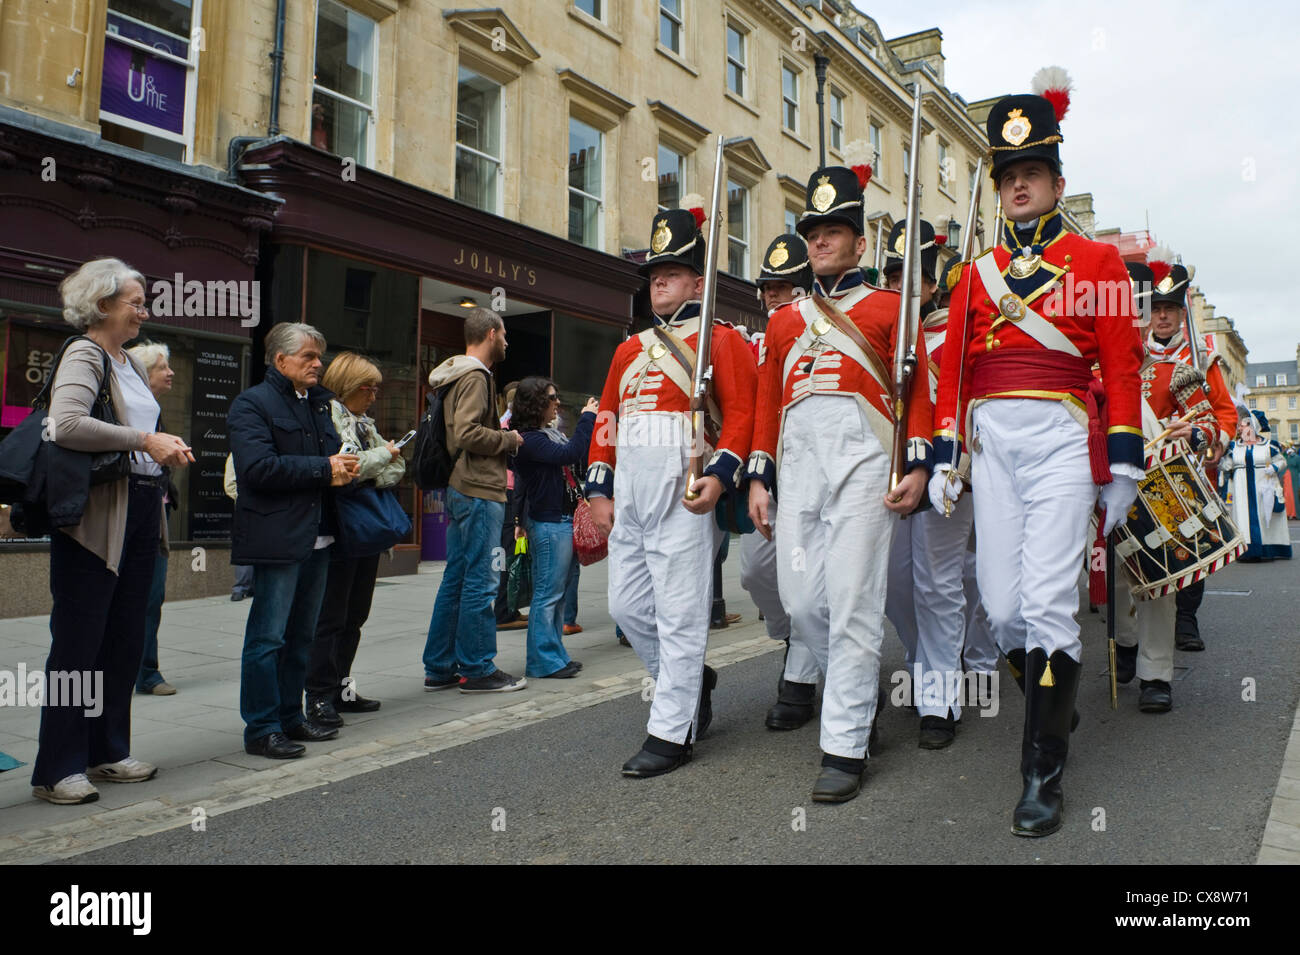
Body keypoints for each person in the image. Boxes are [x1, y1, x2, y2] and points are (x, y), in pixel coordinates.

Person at [929, 69, 1144, 836]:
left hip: (1059, 438)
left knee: (1050, 604)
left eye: (1033, 173)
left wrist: (1121, 464)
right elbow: (953, 367)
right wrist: (945, 456)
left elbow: (1120, 365)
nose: (1020, 186)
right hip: (991, 443)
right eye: (1009, 176)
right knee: (1002, 604)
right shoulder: (973, 275)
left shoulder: (1098, 264)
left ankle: (1040, 770)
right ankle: (1057, 701)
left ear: (1057, 179)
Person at [747, 145, 933, 803]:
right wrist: (759, 477)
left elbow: (918, 396)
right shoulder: (784, 321)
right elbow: (767, 402)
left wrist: (915, 461)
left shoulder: (889, 307)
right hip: (799, 462)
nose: (822, 242)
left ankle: (845, 740)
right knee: (801, 600)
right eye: (814, 233)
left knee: (854, 596)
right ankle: (856, 697)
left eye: (833, 233)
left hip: (864, 458)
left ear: (857, 242)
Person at [587, 200, 757, 778]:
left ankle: (672, 730)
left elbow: (742, 415)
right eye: (655, 272)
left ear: (698, 281)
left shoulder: (721, 340)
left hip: (685, 485)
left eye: (673, 272)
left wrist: (720, 472)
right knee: (626, 606)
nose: (659, 280)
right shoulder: (628, 349)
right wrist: (600, 489)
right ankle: (689, 680)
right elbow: (607, 419)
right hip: (631, 486)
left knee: (682, 615)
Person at [31, 258, 193, 804]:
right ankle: (59, 767)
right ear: (102, 306)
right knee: (79, 642)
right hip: (98, 518)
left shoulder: (126, 360)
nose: (144, 310)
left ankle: (107, 750)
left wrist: (160, 448)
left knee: (124, 637)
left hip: (142, 508)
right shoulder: (87, 352)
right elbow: (67, 424)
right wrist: (145, 442)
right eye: (135, 301)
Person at [228, 322, 359, 759]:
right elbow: (258, 469)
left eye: (319, 356)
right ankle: (261, 728)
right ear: (281, 360)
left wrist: (344, 467)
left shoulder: (320, 405)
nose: (318, 364)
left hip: (319, 535)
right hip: (278, 536)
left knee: (302, 635)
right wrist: (326, 468)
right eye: (308, 356)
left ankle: (290, 717)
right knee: (268, 638)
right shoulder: (252, 404)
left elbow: (326, 461)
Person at [1111, 261, 1224, 713]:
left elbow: (1210, 423)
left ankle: (1156, 673)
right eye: (1145, 308)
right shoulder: (1097, 366)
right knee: (1117, 582)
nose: (1151, 316)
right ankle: (1124, 643)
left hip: (1160, 488)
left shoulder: (1176, 370)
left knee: (1159, 583)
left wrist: (1194, 433)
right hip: (1108, 486)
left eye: (1162, 308)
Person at [880, 219, 976, 748]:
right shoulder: (875, 329)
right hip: (889, 473)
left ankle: (940, 697)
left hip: (945, 472)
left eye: (911, 277)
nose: (901, 286)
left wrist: (954, 467)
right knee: (895, 585)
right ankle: (924, 662)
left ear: (932, 283)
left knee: (937, 584)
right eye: (894, 275)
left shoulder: (953, 333)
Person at [421, 308, 526, 693]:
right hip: (479, 488)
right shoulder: (478, 376)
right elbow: (467, 432)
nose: (507, 342)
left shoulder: (455, 375)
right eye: (504, 335)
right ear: (492, 333)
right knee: (481, 582)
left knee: (456, 579)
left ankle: (440, 666)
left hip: (459, 486)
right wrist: (509, 439)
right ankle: (478, 667)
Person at [1140, 248, 1238, 653]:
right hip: (1146, 466)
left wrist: (1214, 442)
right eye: (1157, 308)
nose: (1163, 316)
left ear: (1182, 314)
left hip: (1193, 466)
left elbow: (1225, 413)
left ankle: (1186, 619)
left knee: (1192, 541)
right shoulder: (1133, 356)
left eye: (1171, 309)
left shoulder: (1202, 359)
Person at [304, 352, 407, 727]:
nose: (375, 396)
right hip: (340, 527)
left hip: (366, 527)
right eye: (370, 388)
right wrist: (380, 458)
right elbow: (353, 466)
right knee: (331, 616)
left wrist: (374, 465)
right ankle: (318, 695)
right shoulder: (330, 419)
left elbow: (396, 467)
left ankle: (341, 690)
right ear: (350, 386)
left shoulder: (363, 424)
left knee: (356, 615)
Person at [746, 233, 815, 730]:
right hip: (773, 473)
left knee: (815, 584)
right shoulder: (749, 340)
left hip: (822, 470)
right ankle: (793, 638)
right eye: (769, 286)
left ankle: (801, 677)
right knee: (754, 569)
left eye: (786, 286)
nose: (775, 295)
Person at [511, 377, 597, 678]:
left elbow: (574, 456)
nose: (557, 402)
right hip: (548, 523)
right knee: (548, 594)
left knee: (557, 594)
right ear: (536, 404)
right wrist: (587, 419)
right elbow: (569, 454)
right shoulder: (530, 439)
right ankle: (542, 662)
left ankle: (555, 656)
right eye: (551, 397)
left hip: (560, 520)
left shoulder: (547, 435)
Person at [126, 340, 180, 697]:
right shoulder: (127, 412)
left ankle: (146, 670)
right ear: (144, 374)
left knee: (152, 596)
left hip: (153, 513)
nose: (171, 372)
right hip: (126, 513)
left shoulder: (155, 412)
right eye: (163, 367)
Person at [1223, 411, 1292, 561]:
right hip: (1241, 490)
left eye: (1243, 425)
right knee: (1242, 517)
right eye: (1239, 426)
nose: (1240, 429)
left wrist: (1274, 467)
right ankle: (1247, 550)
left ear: (1253, 427)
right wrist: (1215, 461)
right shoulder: (1234, 447)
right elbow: (1226, 466)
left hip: (1264, 489)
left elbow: (1282, 461)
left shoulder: (1268, 446)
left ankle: (1268, 548)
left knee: (1264, 517)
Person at [224, 454, 254, 600]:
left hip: (270, 510)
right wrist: (244, 499)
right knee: (245, 546)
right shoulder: (237, 452)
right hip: (246, 507)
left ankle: (254, 586)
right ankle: (240, 588)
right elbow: (229, 484)